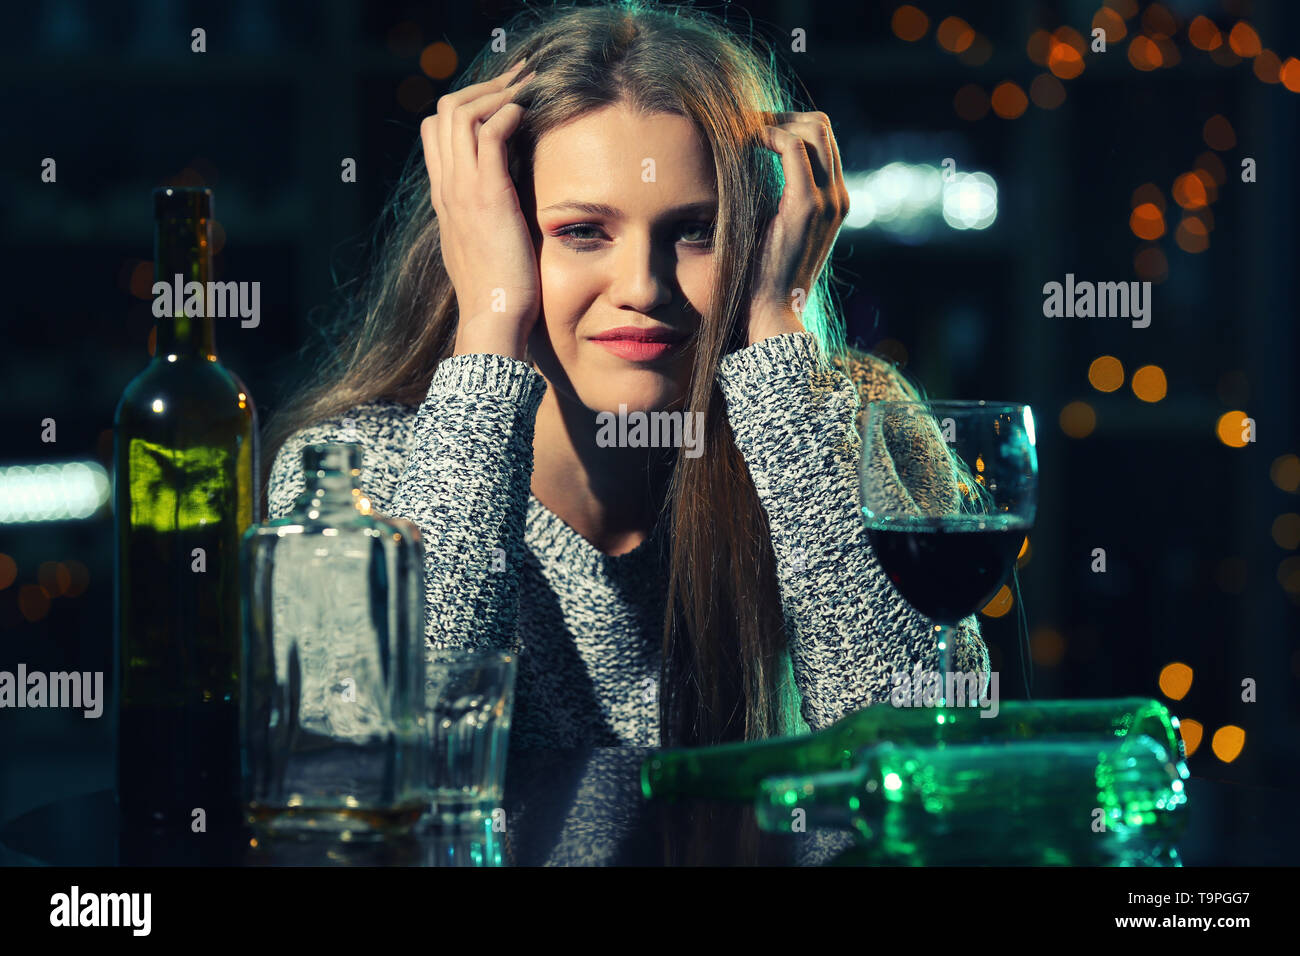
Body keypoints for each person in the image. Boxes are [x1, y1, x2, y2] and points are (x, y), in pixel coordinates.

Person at [262, 0, 989, 751]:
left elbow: (923, 749)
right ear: (486, 236)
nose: (642, 286)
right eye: (581, 232)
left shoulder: (852, 421)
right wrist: (488, 323)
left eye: (698, 232)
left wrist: (778, 329)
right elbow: (379, 755)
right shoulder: (345, 476)